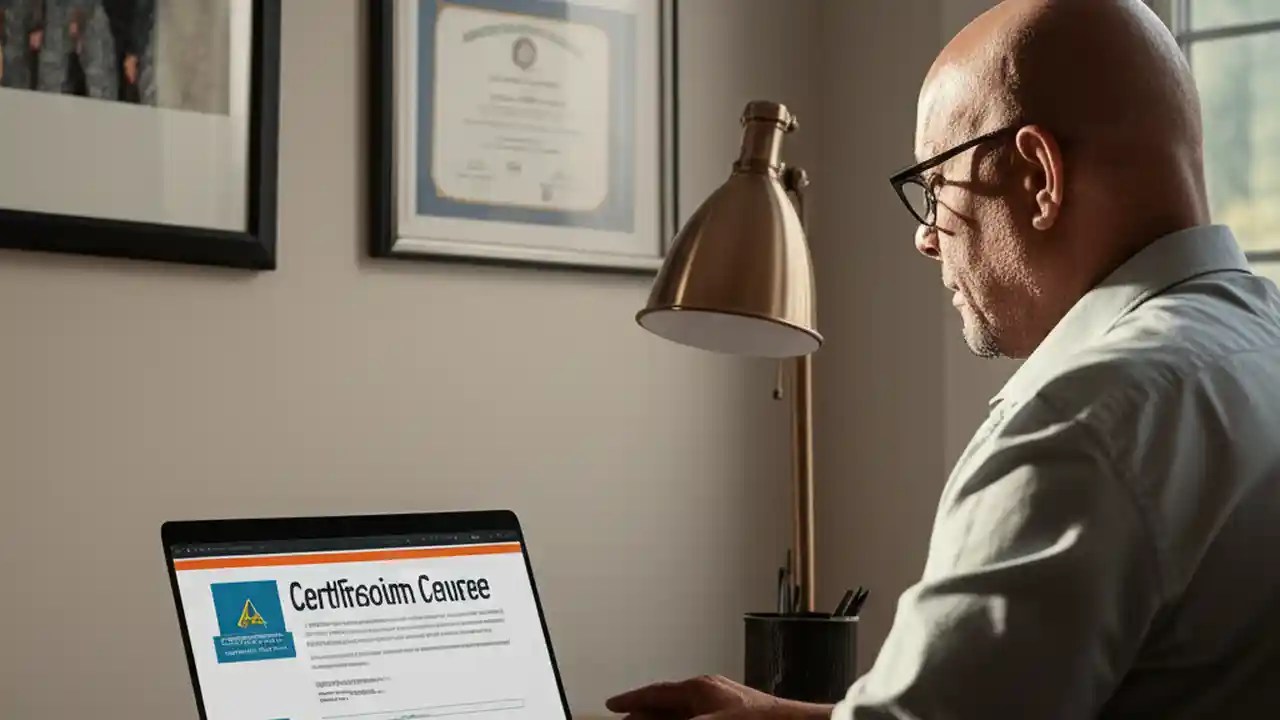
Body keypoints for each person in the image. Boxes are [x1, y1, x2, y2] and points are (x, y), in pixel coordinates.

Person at [606, 0, 1280, 718]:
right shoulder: (1255, 355)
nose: (927, 238)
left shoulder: (1081, 419)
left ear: (1040, 176)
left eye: (936, 188)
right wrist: (774, 715)